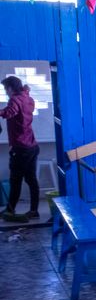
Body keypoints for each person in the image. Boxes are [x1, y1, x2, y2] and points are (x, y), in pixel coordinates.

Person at [0, 76, 39, 219]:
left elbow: (10, 112)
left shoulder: (15, 99)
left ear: (10, 88)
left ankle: (10, 210)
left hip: (21, 148)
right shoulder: (28, 98)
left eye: (6, 89)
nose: (6, 92)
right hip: (32, 146)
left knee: (15, 180)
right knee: (31, 179)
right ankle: (34, 211)